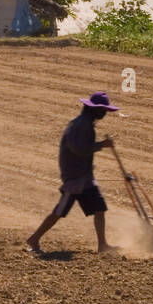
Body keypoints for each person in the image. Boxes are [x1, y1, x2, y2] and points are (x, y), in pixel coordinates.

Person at [26, 91, 119, 255]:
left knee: (99, 207)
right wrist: (101, 145)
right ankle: (34, 239)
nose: (105, 113)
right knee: (59, 212)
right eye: (102, 110)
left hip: (84, 177)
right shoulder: (81, 125)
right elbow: (78, 149)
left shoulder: (85, 124)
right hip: (75, 178)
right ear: (94, 110)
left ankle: (103, 245)